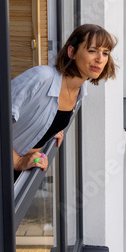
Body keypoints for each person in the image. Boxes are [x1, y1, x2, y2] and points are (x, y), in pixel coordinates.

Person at [11, 23, 117, 174]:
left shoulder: (80, 90)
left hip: (22, 172)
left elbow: (50, 113)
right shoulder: (42, 77)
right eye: (92, 51)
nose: (100, 59)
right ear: (72, 51)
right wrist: (18, 161)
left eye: (105, 53)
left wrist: (50, 128)